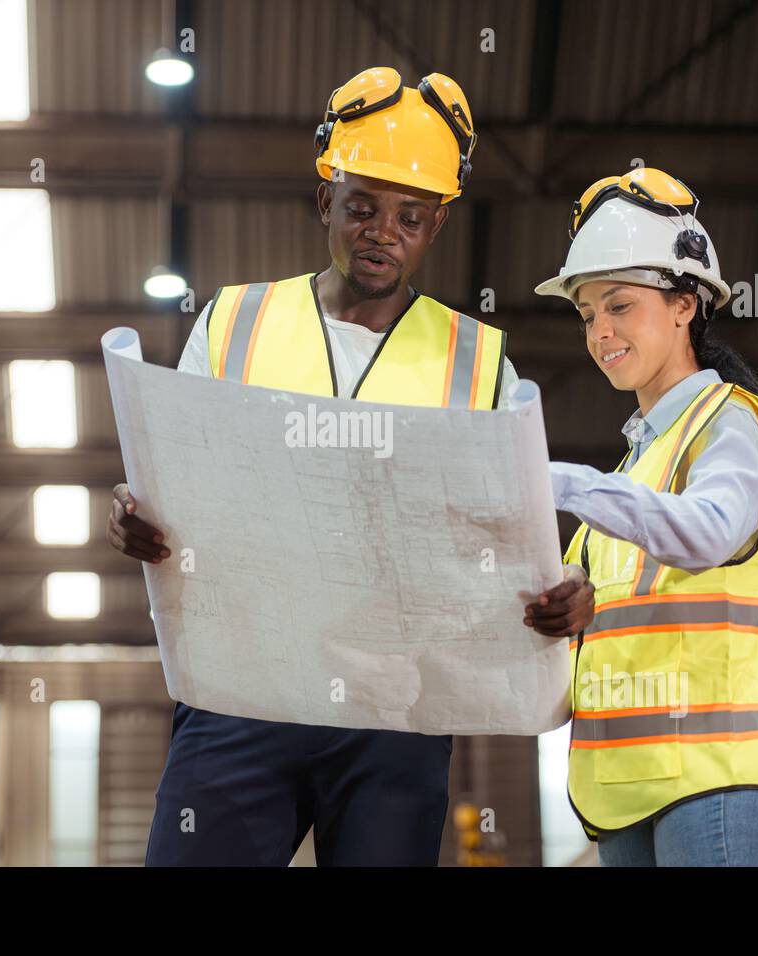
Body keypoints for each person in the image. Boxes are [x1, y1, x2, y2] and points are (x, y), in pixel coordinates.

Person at [107, 66, 597, 866]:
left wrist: (563, 591)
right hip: (242, 694)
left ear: (438, 224)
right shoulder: (233, 323)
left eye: (410, 216)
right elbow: (175, 483)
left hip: (395, 712)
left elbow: (514, 535)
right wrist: (138, 515)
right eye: (363, 206)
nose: (383, 231)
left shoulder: (480, 366)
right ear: (324, 200)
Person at [530, 167, 758, 867]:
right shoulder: (629, 474)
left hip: (715, 770)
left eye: (619, 305)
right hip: (626, 786)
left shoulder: (729, 421)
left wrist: (558, 481)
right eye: (586, 315)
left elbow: (709, 530)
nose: (599, 331)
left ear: (684, 304)